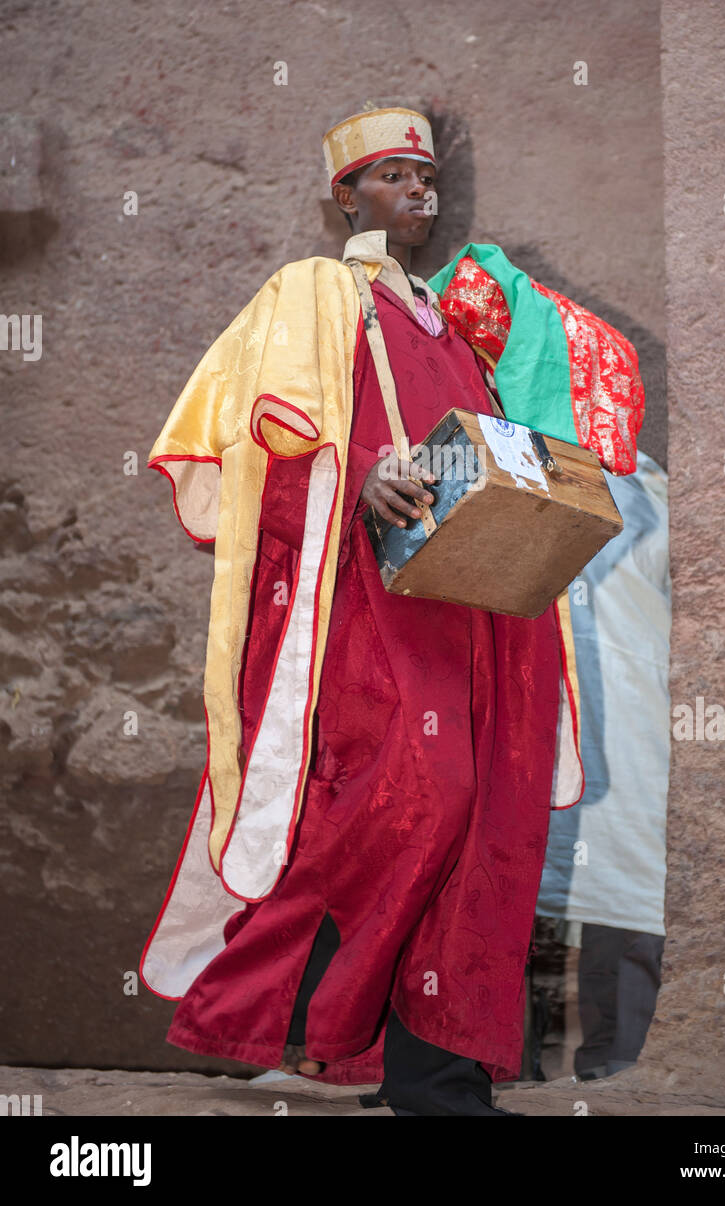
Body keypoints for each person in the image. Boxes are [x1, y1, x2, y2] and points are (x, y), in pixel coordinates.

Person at [140, 105, 640, 1116]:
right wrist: (361, 474)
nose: (420, 191)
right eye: (393, 175)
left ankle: (437, 1080)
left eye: (427, 176)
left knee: (488, 823)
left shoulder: (456, 324)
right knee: (419, 798)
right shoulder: (316, 293)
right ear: (344, 196)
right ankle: (305, 1021)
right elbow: (251, 443)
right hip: (373, 604)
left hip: (479, 606)